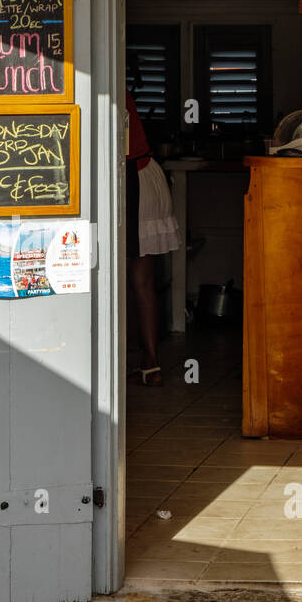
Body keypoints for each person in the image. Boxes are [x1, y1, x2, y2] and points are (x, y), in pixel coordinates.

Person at [125, 90, 182, 386]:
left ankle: (144, 359)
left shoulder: (109, 92)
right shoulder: (118, 89)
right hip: (141, 175)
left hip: (134, 180)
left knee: (131, 279)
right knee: (141, 281)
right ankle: (150, 363)